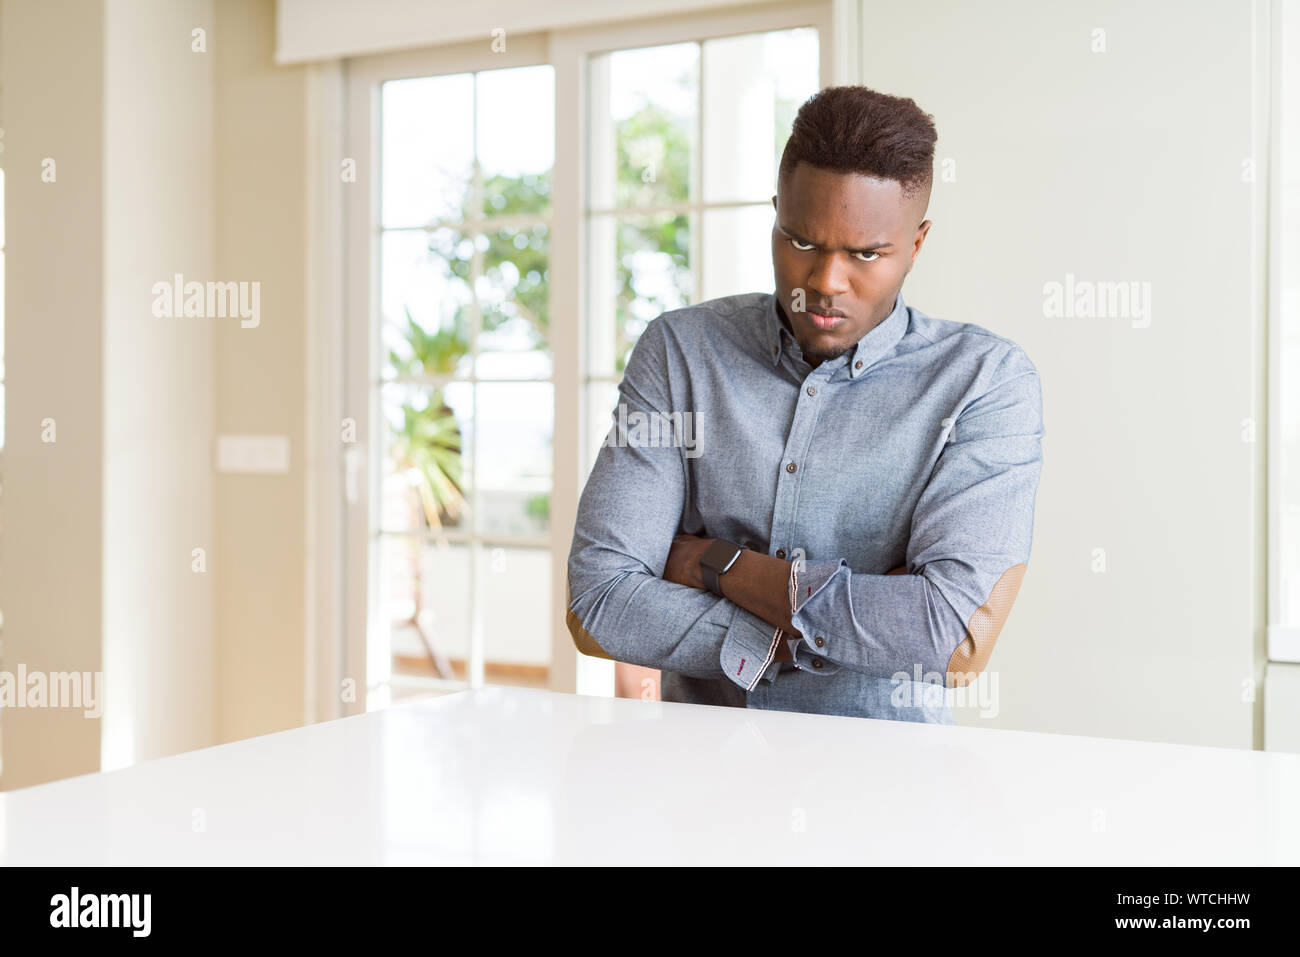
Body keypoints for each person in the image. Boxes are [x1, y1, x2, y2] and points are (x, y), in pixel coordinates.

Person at [566, 85, 1044, 723]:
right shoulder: (680, 353)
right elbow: (598, 605)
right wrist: (850, 624)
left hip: (890, 791)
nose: (825, 282)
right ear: (774, 215)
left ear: (918, 243)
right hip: (697, 787)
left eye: (866, 254)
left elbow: (947, 638)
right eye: (801, 241)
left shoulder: (986, 382)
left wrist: (714, 563)